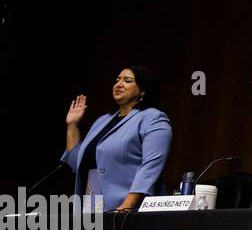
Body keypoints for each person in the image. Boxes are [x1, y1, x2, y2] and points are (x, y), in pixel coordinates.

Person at [61, 66, 171, 212]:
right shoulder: (102, 121)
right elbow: (78, 163)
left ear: (142, 90)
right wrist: (72, 125)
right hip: (93, 208)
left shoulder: (153, 118)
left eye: (127, 80)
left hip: (130, 212)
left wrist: (127, 206)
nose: (119, 84)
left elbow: (151, 166)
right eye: (117, 80)